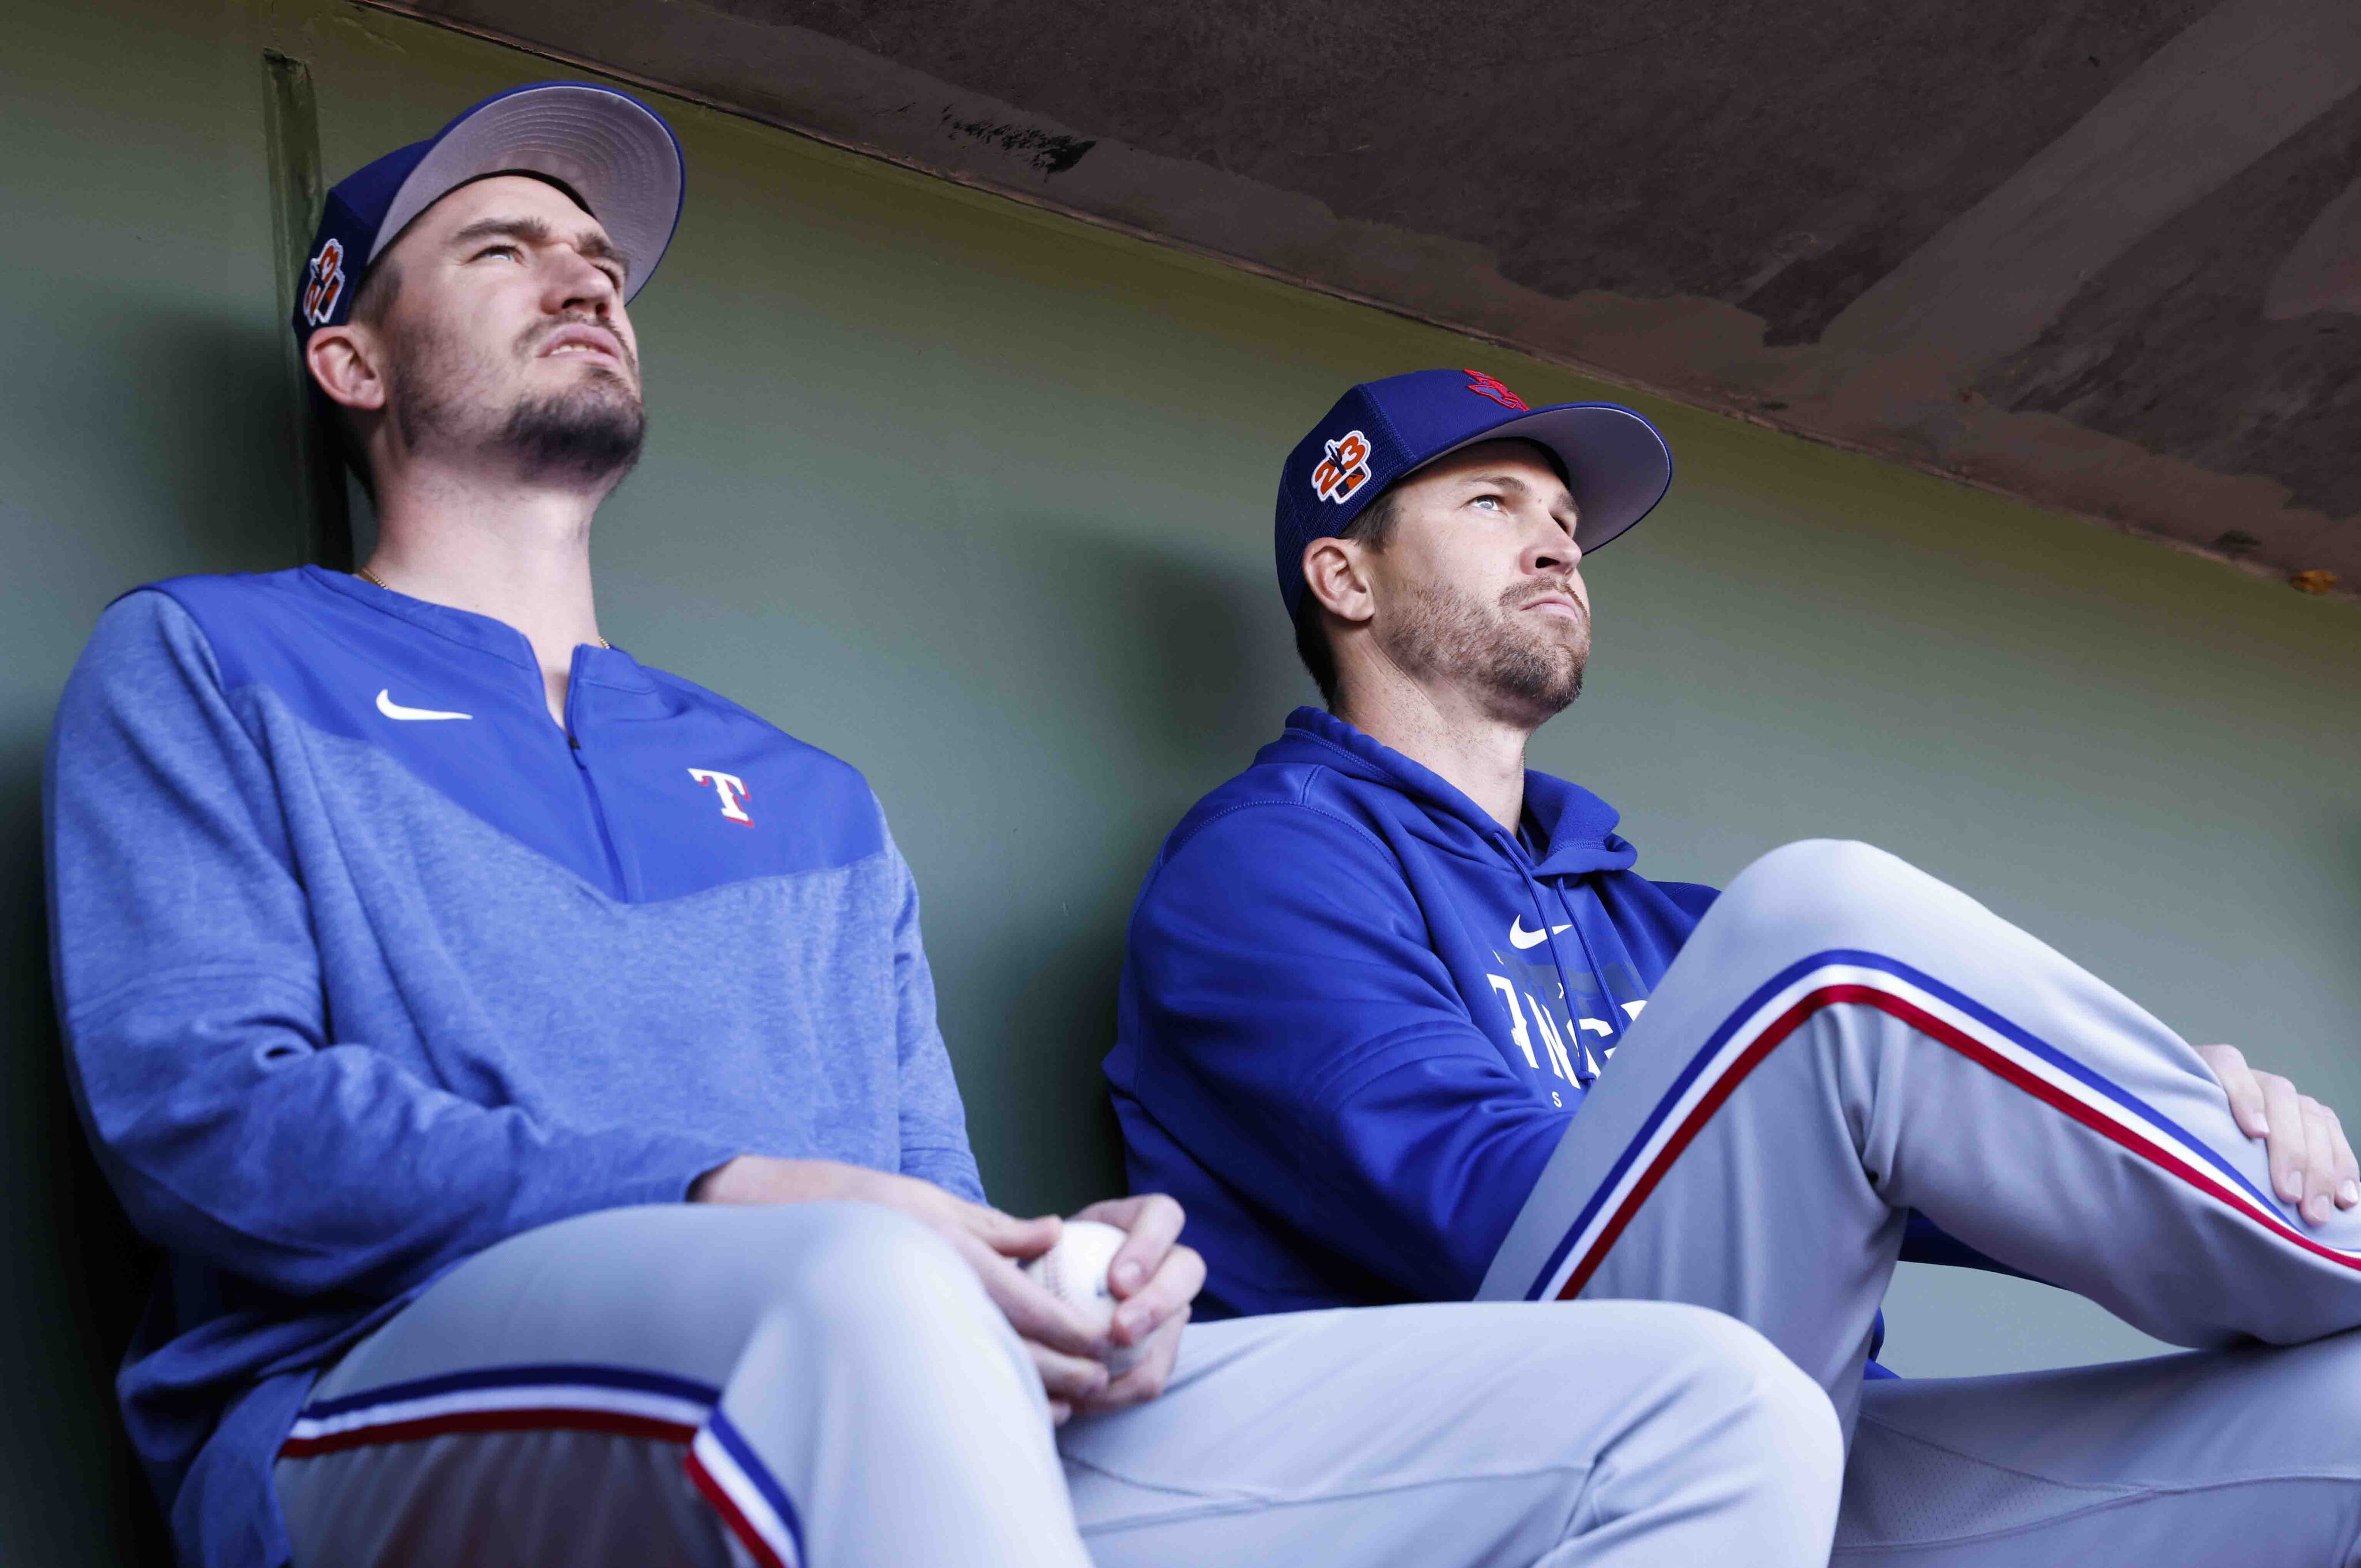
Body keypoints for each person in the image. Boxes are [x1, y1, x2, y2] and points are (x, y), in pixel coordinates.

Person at [45, 88, 1847, 1568]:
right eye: (502, 249)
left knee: (1701, 1401)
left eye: (602, 259)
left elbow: (921, 1205)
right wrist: (725, 1195)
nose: (585, 280)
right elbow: (211, 1116)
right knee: (855, 1289)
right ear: (351, 358)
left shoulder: (812, 795)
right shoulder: (212, 658)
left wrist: (1072, 1294)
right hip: (369, 1409)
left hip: (876, 1386)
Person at [1109, 366, 2361, 1564]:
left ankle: (2289, 1222)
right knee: (1828, 925)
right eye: (1491, 503)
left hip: (1800, 1460)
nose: (1555, 546)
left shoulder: (1664, 929)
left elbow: (1920, 1150)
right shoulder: (1266, 867)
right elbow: (1482, 1217)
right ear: (1345, 576)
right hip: (1493, 1472)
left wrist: (2146, 1106)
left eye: (1562, 520)